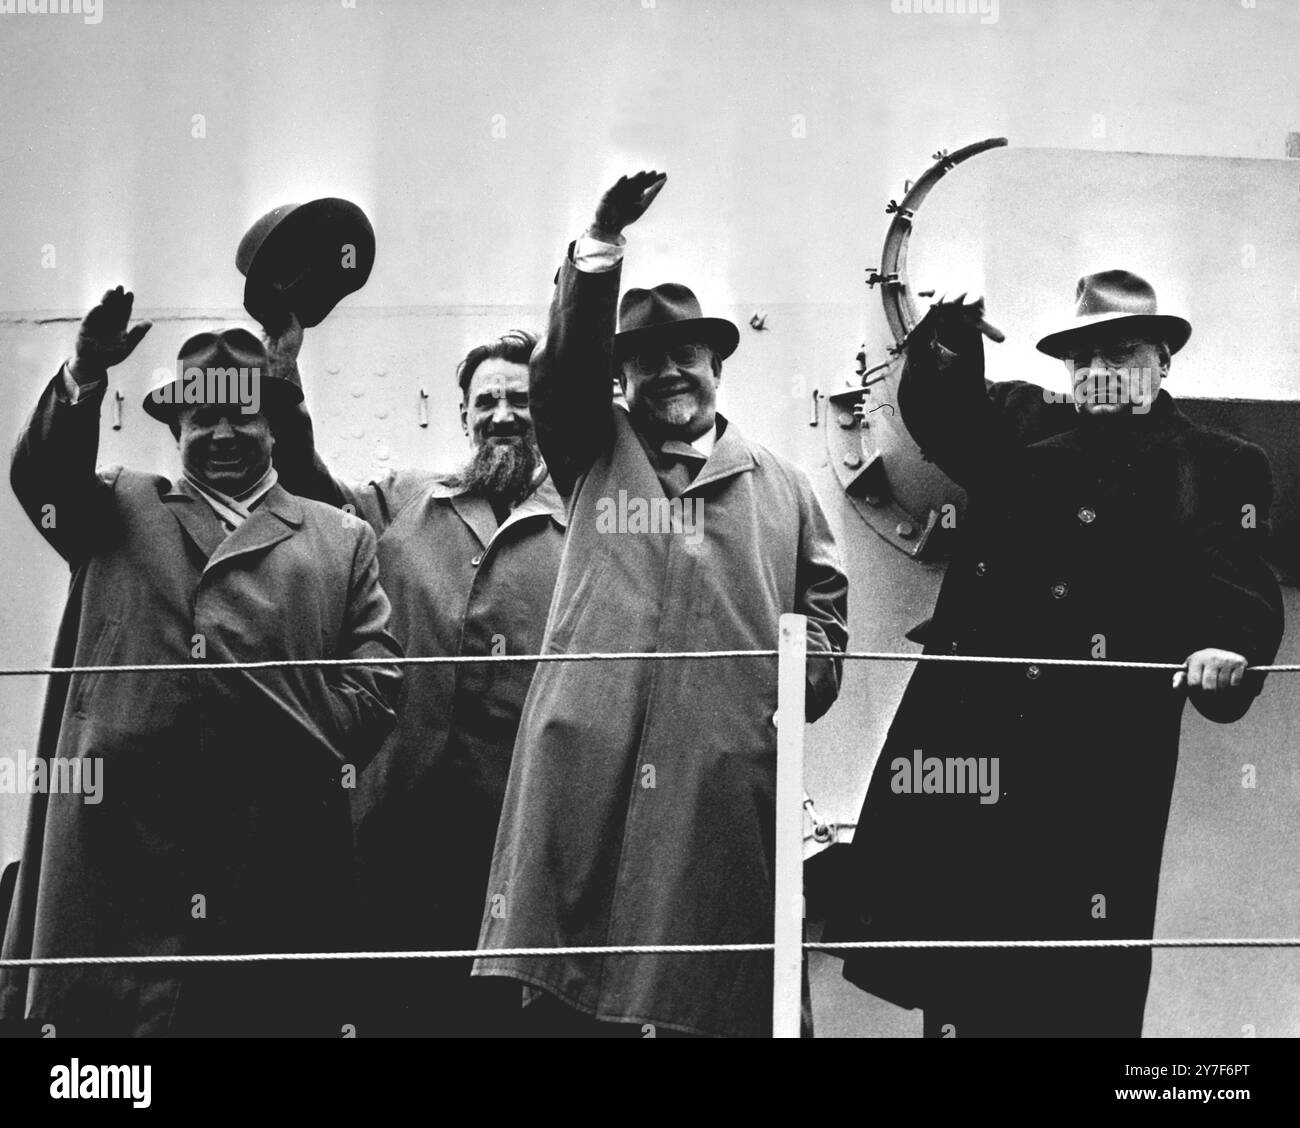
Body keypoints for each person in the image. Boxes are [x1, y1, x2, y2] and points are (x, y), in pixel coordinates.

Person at [831, 270, 1285, 1037]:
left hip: (1101, 753)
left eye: (1123, 351)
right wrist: (948, 335)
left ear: (1164, 360)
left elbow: (1239, 585)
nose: (1101, 370)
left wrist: (1225, 648)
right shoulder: (1016, 422)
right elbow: (939, 413)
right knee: (965, 978)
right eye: (1085, 356)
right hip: (981, 738)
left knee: (1081, 983)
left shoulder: (1217, 464)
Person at [472, 171, 850, 1038]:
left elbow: (824, 613)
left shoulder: (785, 488)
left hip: (721, 788)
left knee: (711, 1002)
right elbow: (563, 368)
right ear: (621, 377)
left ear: (718, 366)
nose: (671, 370)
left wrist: (775, 698)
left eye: (689, 354)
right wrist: (602, 239)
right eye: (645, 358)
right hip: (588, 773)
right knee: (578, 1000)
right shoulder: (590, 450)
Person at [0, 287, 403, 1036]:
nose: (223, 430)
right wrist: (85, 370)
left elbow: (377, 688)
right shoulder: (116, 507)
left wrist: (274, 727)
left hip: (275, 864)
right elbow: (42, 481)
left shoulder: (340, 538)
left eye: (241, 412)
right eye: (201, 415)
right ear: (175, 427)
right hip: (121, 866)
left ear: (273, 424)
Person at [269, 319, 565, 1035]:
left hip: (524, 829)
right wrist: (281, 370)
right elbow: (308, 484)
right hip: (401, 821)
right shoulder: (404, 496)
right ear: (463, 414)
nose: (501, 414)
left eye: (519, 400)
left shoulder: (583, 514)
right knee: (397, 1004)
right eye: (485, 400)